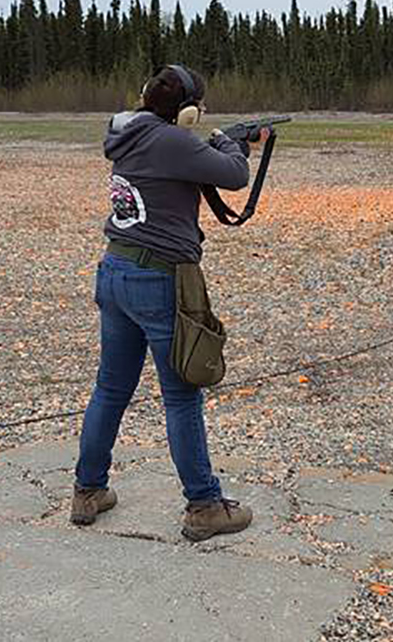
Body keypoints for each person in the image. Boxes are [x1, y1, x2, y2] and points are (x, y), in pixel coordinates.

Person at [71, 64, 256, 541]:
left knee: (110, 389)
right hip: (158, 278)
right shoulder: (173, 142)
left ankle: (88, 490)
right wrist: (231, 141)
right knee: (181, 394)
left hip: (115, 269)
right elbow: (235, 175)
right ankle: (204, 505)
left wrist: (211, 142)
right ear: (188, 112)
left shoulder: (128, 133)